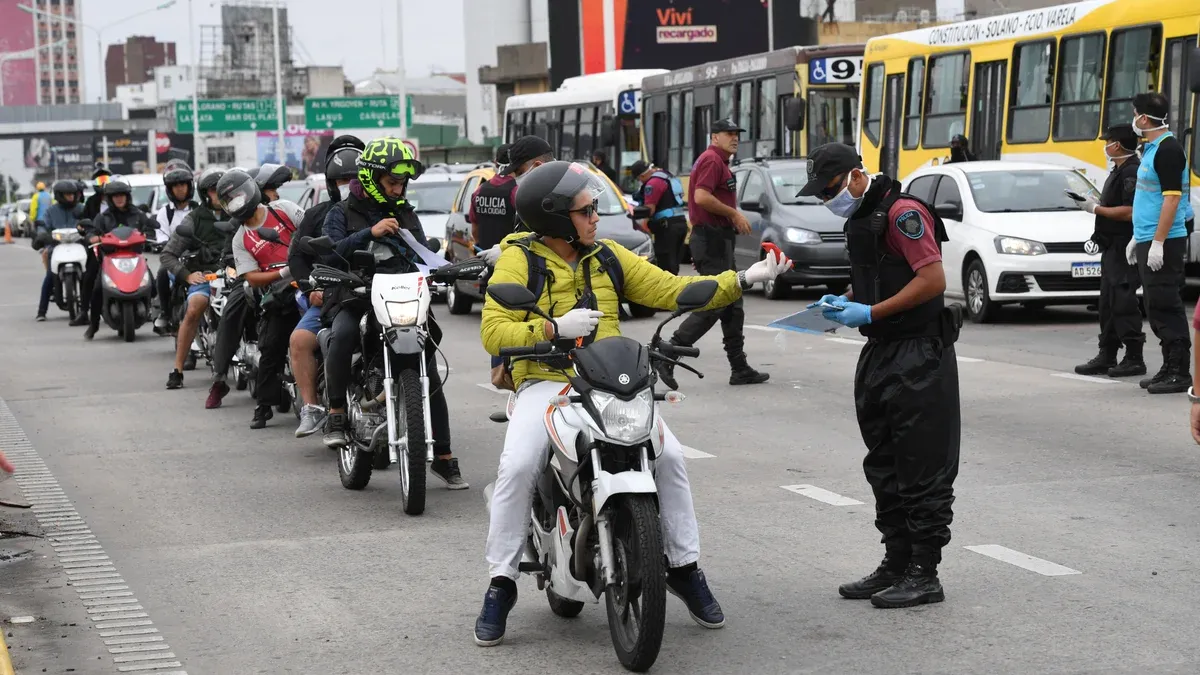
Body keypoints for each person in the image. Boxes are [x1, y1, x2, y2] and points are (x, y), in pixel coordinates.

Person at [473, 160, 793, 646]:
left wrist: (745, 277)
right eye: (586, 211)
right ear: (556, 218)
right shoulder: (520, 260)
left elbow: (672, 289)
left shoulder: (607, 256)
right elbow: (494, 331)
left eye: (594, 209)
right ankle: (501, 582)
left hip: (608, 382)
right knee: (516, 466)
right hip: (547, 383)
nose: (595, 218)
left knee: (672, 459)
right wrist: (553, 329)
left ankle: (683, 567)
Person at [798, 142, 961, 609]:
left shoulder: (903, 213)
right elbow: (881, 277)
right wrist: (845, 300)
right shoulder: (862, 218)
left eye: (829, 189)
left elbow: (932, 280)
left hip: (919, 353)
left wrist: (870, 311)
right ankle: (896, 562)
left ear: (855, 175)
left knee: (921, 467)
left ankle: (924, 573)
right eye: (819, 193)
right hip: (880, 352)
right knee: (884, 465)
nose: (825, 199)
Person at [321, 136, 469, 488]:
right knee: (342, 334)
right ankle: (337, 413)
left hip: (402, 299)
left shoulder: (404, 212)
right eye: (392, 182)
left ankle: (443, 456)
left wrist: (444, 270)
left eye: (402, 183)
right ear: (371, 178)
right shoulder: (340, 213)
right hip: (356, 296)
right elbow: (329, 254)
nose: (398, 189)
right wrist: (368, 234)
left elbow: (422, 254)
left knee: (428, 369)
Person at [657, 119, 769, 388]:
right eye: (729, 133)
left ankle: (739, 367)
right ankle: (668, 353)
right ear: (714, 137)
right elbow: (701, 197)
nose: (735, 138)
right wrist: (734, 214)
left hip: (718, 239)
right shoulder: (711, 160)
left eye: (737, 134)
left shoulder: (719, 161)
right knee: (715, 302)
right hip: (710, 239)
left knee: (733, 303)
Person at [287, 134, 365, 438]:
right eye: (342, 180)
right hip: (330, 299)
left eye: (354, 179)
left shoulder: (381, 211)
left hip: (377, 296)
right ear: (331, 183)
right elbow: (297, 257)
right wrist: (311, 290)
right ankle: (313, 407)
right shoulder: (317, 215)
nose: (349, 185)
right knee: (300, 340)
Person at [220, 169, 304, 428]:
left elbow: (310, 229)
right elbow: (251, 276)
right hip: (277, 292)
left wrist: (302, 260)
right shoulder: (240, 239)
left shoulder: (284, 209)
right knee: (271, 346)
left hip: (307, 279)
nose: (237, 201)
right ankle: (264, 406)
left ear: (251, 190)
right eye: (230, 200)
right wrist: (282, 273)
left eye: (239, 195)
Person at [1130, 92, 1194, 395]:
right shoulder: (1151, 149)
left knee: (1166, 304)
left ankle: (1179, 371)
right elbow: (1149, 198)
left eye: (1135, 114)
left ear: (1144, 118)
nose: (1133, 119)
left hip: (1164, 241)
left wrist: (1157, 242)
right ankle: (1169, 365)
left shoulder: (1168, 150)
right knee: (1154, 305)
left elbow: (1171, 200)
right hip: (1148, 237)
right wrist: (1138, 236)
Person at [1072, 125, 1145, 378]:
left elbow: (1130, 211)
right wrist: (1096, 203)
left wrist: (1095, 209)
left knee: (1123, 301)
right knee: (1107, 303)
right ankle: (1107, 353)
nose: (1106, 146)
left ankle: (1134, 357)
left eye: (1109, 141)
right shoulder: (1118, 170)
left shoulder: (1131, 171)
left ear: (1118, 145)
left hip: (1125, 247)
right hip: (1111, 246)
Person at [160, 170, 230, 391]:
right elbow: (167, 255)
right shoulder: (194, 218)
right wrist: (187, 275)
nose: (218, 194)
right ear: (205, 193)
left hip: (236, 276)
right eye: (213, 190)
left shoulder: (239, 214)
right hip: (206, 277)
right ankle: (178, 369)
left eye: (222, 189)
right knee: (195, 306)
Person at [83, 180, 155, 340]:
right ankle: (93, 325)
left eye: (122, 195)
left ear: (128, 196)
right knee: (97, 290)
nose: (119, 198)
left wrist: (149, 233)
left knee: (154, 285)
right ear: (110, 199)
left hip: (135, 258)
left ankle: (161, 319)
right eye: (115, 196)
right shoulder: (103, 217)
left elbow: (149, 228)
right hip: (110, 259)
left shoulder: (138, 214)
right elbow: (92, 231)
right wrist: (92, 237)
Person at [152, 164, 199, 335]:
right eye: (175, 186)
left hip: (197, 255)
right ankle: (165, 311)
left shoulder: (198, 209)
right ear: (170, 190)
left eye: (183, 184)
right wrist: (167, 246)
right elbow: (161, 236)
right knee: (162, 273)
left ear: (189, 186)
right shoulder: (165, 212)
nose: (180, 189)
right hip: (174, 256)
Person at [629, 159, 689, 275]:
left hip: (667, 228)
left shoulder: (652, 184)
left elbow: (649, 210)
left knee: (665, 266)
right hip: (680, 223)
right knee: (674, 264)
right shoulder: (667, 176)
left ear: (642, 175)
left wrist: (634, 214)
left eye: (639, 179)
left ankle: (669, 286)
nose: (640, 182)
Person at [35, 180, 83, 321]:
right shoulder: (50, 211)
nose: (71, 197)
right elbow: (43, 226)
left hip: (79, 245)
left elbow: (91, 222)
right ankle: (41, 311)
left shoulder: (81, 208)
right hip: (56, 246)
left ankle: (99, 306)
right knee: (50, 275)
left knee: (92, 272)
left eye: (72, 194)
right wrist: (42, 235)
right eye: (67, 194)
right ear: (59, 195)